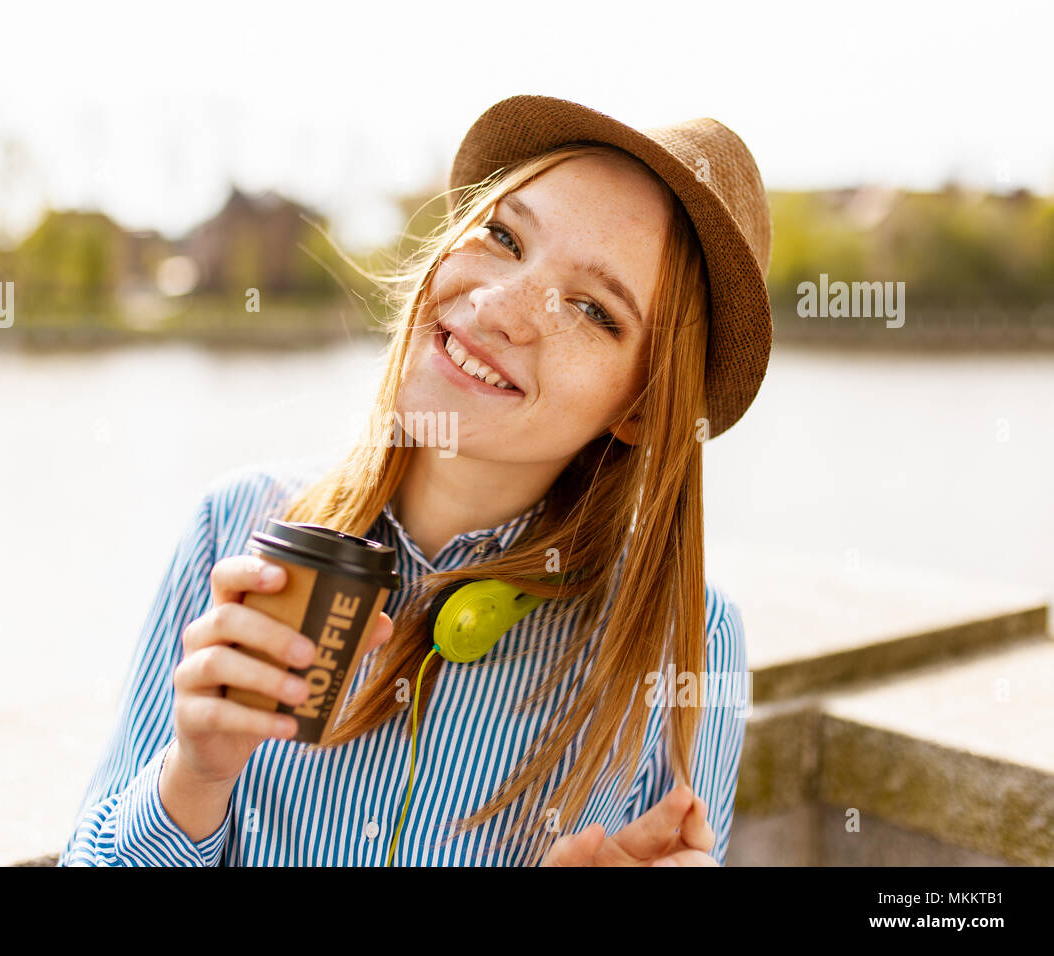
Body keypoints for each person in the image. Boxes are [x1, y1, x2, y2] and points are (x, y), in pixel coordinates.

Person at [58, 93, 772, 866]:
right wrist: (193, 779)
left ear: (639, 406)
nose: (499, 306)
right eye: (502, 236)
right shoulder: (235, 527)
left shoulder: (688, 636)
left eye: (593, 309)